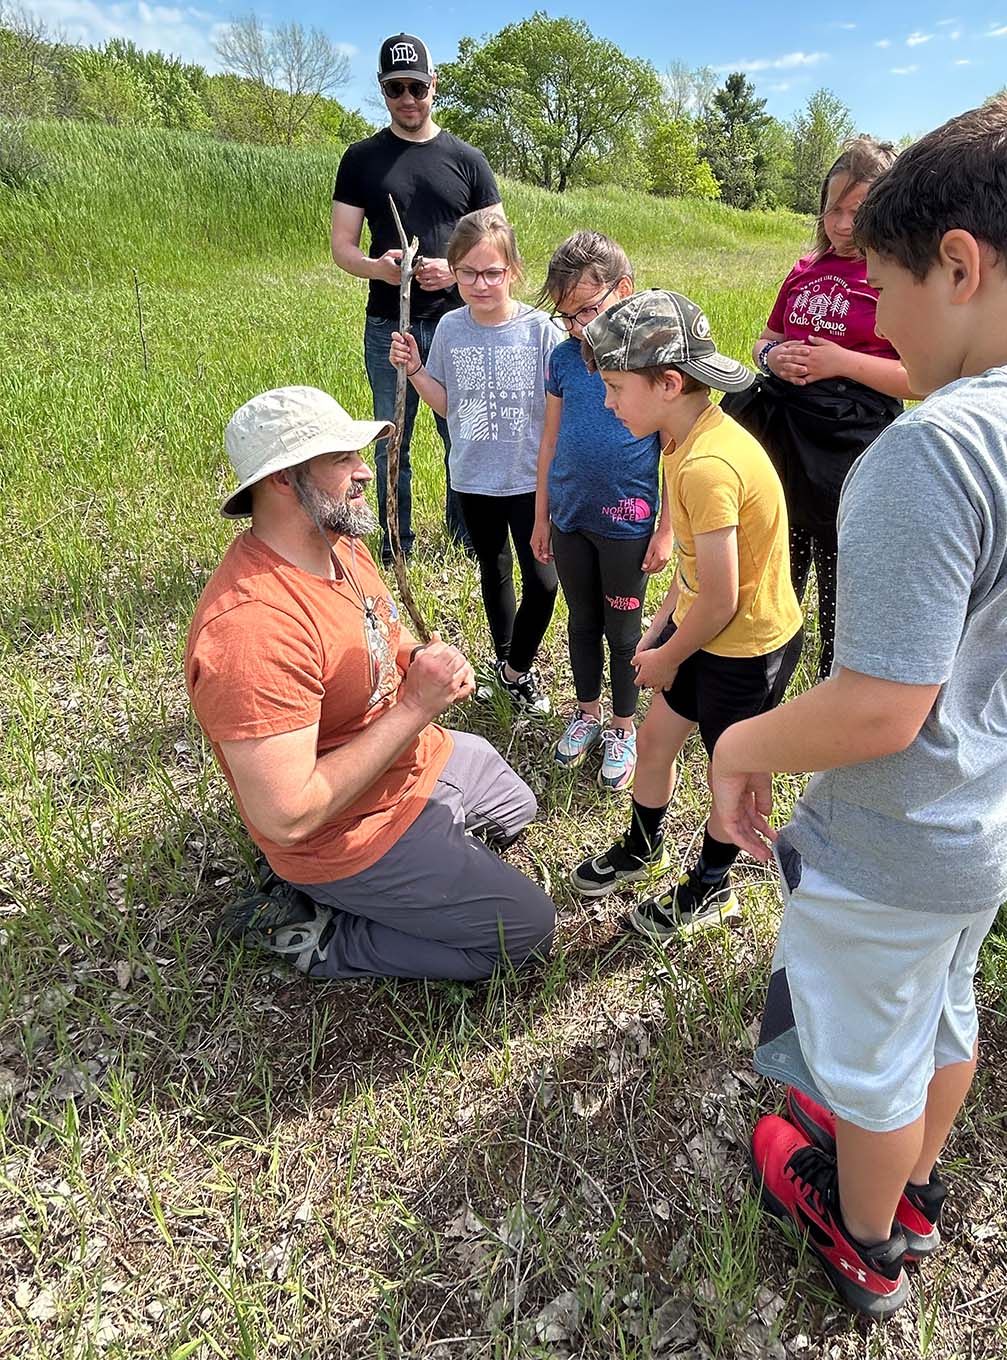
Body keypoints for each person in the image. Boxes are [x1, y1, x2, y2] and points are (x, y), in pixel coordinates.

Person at [709, 97, 1007, 1319]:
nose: (877, 317)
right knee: (948, 1000)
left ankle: (862, 1230)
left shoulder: (928, 454)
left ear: (960, 264)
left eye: (884, 286)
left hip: (900, 840)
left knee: (868, 1057)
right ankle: (915, 1182)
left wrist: (743, 739)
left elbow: (879, 711)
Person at [186, 385, 555, 982]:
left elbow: (376, 635)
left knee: (517, 808)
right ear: (283, 478)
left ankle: (422, 864)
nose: (364, 471)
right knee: (525, 935)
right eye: (341, 458)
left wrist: (417, 659)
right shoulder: (252, 630)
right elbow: (288, 816)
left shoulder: (338, 542)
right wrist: (415, 705)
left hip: (409, 762)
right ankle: (322, 935)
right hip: (340, 832)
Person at [569, 290, 803, 938]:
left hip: (746, 646)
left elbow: (726, 598)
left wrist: (669, 654)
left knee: (726, 769)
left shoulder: (706, 464)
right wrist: (659, 631)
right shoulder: (679, 440)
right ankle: (644, 847)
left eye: (615, 386)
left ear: (669, 382)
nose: (609, 401)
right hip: (702, 626)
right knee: (655, 739)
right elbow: (697, 570)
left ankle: (710, 888)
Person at [331, 32, 502, 562]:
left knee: (465, 434)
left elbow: (496, 240)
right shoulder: (361, 159)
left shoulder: (467, 160)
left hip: (459, 324)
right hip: (390, 322)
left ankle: (467, 536)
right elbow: (342, 247)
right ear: (383, 91)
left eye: (416, 87)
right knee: (392, 440)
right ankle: (395, 543)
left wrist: (453, 274)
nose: (408, 99)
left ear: (434, 84)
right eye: (395, 88)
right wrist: (379, 270)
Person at [742, 138, 908, 679]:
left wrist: (842, 362)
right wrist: (774, 357)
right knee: (781, 563)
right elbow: (763, 339)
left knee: (842, 574)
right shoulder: (804, 269)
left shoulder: (896, 277)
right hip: (791, 440)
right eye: (834, 208)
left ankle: (834, 679)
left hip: (852, 448)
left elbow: (919, 378)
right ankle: (769, 669)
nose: (841, 223)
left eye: (856, 211)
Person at [390, 210, 561, 713]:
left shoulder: (540, 331)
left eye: (492, 272)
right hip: (473, 475)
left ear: (512, 270)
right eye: (467, 272)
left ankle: (515, 668)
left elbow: (561, 409)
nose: (480, 284)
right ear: (453, 272)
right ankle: (510, 665)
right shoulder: (449, 327)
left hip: (532, 480)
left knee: (544, 581)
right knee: (494, 567)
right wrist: (417, 369)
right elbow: (447, 404)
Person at [531, 232, 674, 790]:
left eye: (588, 310)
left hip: (627, 526)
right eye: (567, 316)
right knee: (581, 620)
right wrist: (542, 517)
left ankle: (622, 724)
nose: (579, 327)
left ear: (624, 290)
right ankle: (586, 711)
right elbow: (549, 441)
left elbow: (671, 448)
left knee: (623, 629)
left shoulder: (650, 361)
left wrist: (665, 530)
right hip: (570, 518)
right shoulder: (563, 360)